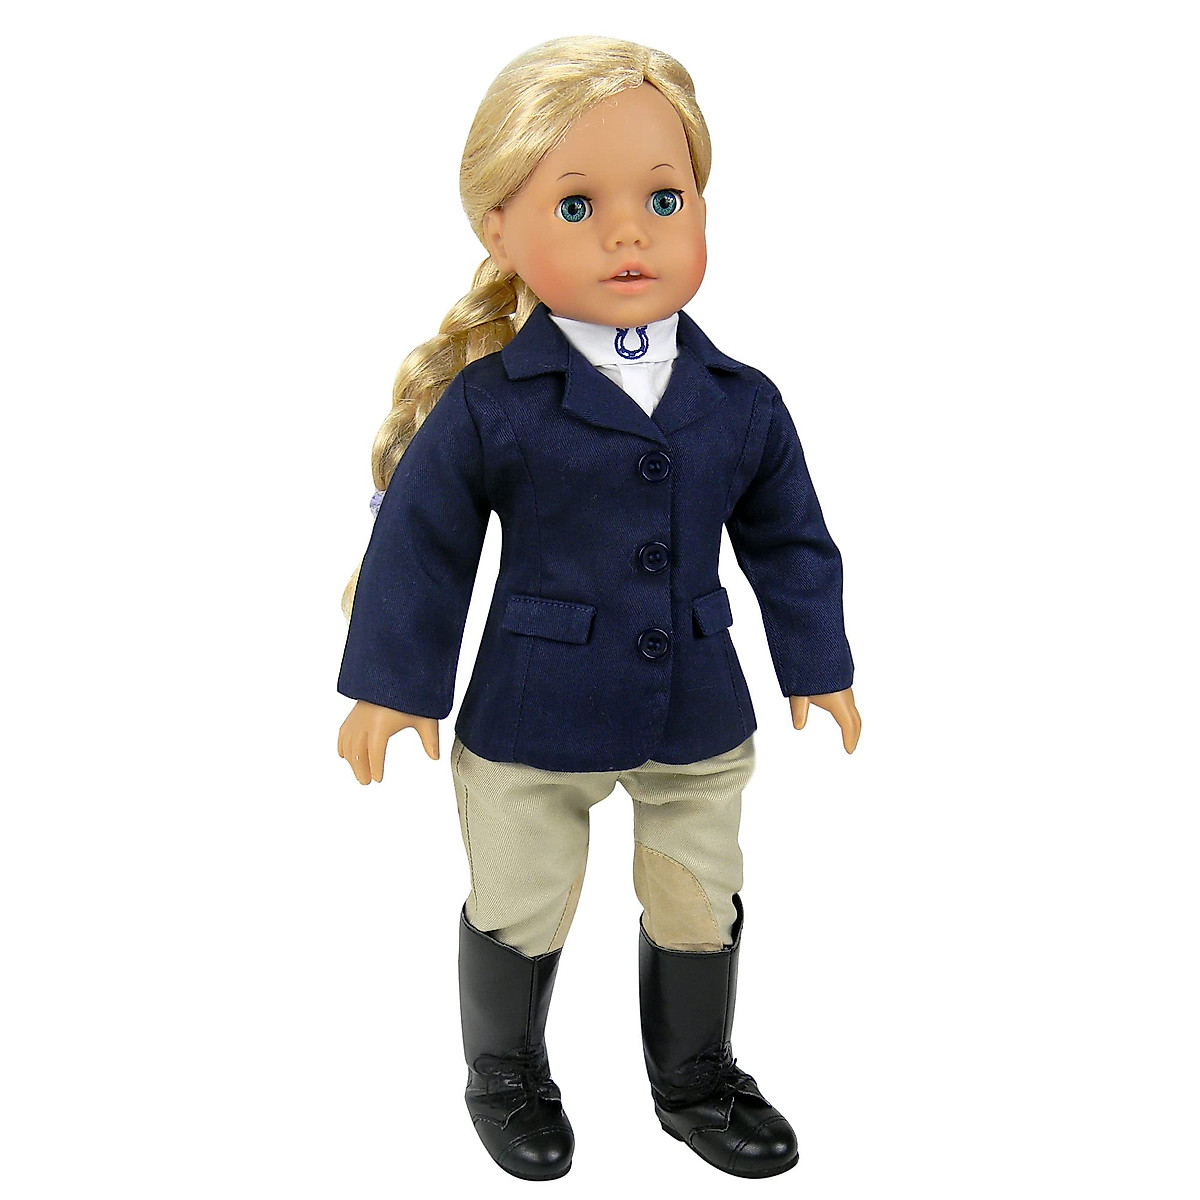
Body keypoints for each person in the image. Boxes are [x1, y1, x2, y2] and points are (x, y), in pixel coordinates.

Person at [336, 36, 861, 1181]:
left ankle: (697, 1078)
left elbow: (789, 538)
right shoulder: (493, 405)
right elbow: (422, 542)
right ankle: (506, 1075)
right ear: (499, 231)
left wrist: (817, 661)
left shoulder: (742, 401)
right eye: (577, 206)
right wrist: (393, 683)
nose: (630, 234)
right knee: (519, 899)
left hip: (696, 711)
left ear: (703, 210)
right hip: (536, 710)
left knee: (698, 895)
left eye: (664, 200)